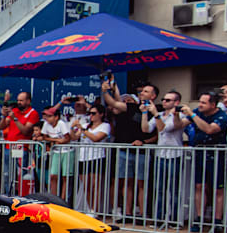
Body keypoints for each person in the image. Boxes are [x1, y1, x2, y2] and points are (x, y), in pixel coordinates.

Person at [104, 80, 157, 222]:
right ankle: (127, 214)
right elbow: (114, 103)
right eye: (141, 91)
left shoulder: (155, 111)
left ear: (153, 95)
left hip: (143, 152)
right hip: (125, 150)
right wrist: (105, 90)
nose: (142, 93)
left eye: (146, 91)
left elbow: (158, 133)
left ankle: (142, 215)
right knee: (127, 182)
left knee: (142, 184)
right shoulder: (132, 107)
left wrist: (144, 142)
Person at [183, 91, 227, 232]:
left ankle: (217, 221)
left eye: (203, 102)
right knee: (199, 187)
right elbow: (181, 124)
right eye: (199, 102)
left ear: (213, 105)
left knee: (217, 189)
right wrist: (175, 116)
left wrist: (192, 115)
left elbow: (209, 129)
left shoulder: (222, 116)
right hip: (199, 153)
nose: (200, 105)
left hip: (216, 155)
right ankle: (198, 219)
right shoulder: (197, 112)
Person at [143, 90, 186, 225]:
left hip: (175, 155)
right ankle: (159, 219)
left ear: (176, 102)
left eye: (168, 100)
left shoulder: (179, 116)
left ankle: (173, 220)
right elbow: (146, 129)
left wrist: (155, 114)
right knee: (159, 188)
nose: (164, 102)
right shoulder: (159, 115)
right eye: (163, 99)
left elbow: (164, 129)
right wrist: (144, 113)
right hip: (161, 155)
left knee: (173, 189)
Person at [71, 103, 110, 214]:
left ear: (101, 114)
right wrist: (72, 128)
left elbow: (96, 138)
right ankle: (89, 209)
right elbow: (74, 137)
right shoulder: (86, 125)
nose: (91, 116)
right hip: (83, 157)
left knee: (95, 185)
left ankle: (95, 210)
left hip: (96, 157)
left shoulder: (105, 126)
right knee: (86, 186)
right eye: (89, 113)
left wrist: (82, 130)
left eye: (94, 113)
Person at [37, 106, 73, 201]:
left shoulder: (61, 123)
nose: (47, 118)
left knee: (66, 177)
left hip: (67, 151)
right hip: (56, 151)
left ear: (56, 117)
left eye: (50, 116)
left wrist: (60, 141)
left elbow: (68, 138)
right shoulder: (46, 124)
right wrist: (56, 140)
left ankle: (63, 199)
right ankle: (53, 199)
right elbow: (44, 137)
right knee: (53, 176)